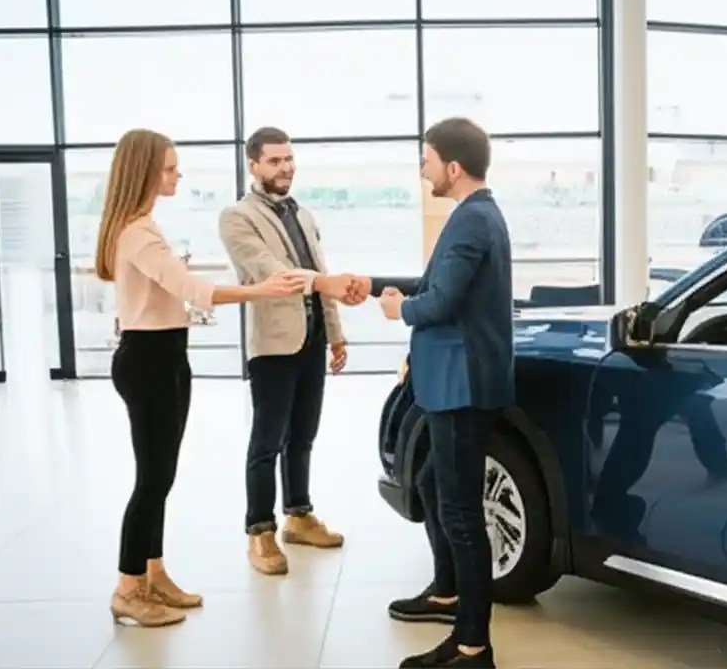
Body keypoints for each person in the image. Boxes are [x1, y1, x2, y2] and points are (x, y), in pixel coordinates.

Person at [95, 128, 308, 627]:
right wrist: (262, 290)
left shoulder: (142, 227)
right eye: (169, 168)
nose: (176, 176)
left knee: (160, 477)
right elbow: (195, 291)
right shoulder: (138, 232)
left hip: (165, 355)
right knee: (152, 480)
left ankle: (153, 573)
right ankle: (128, 588)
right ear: (145, 171)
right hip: (149, 359)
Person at [377, 118, 513, 669]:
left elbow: (440, 303)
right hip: (456, 380)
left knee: (461, 513)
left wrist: (398, 311)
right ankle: (449, 591)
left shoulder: (471, 221)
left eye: (427, 160)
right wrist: (378, 286)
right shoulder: (479, 215)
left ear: (452, 167)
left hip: (460, 387)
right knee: (435, 484)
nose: (423, 170)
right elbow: (441, 284)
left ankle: (472, 645)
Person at [218, 126, 364, 575]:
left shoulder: (302, 216)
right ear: (254, 165)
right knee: (268, 440)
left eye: (289, 159)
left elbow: (321, 272)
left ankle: (298, 516)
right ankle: (259, 531)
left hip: (313, 337)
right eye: (276, 161)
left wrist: (335, 332)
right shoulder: (236, 217)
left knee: (303, 434)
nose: (286, 168)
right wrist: (324, 285)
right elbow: (271, 271)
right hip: (274, 344)